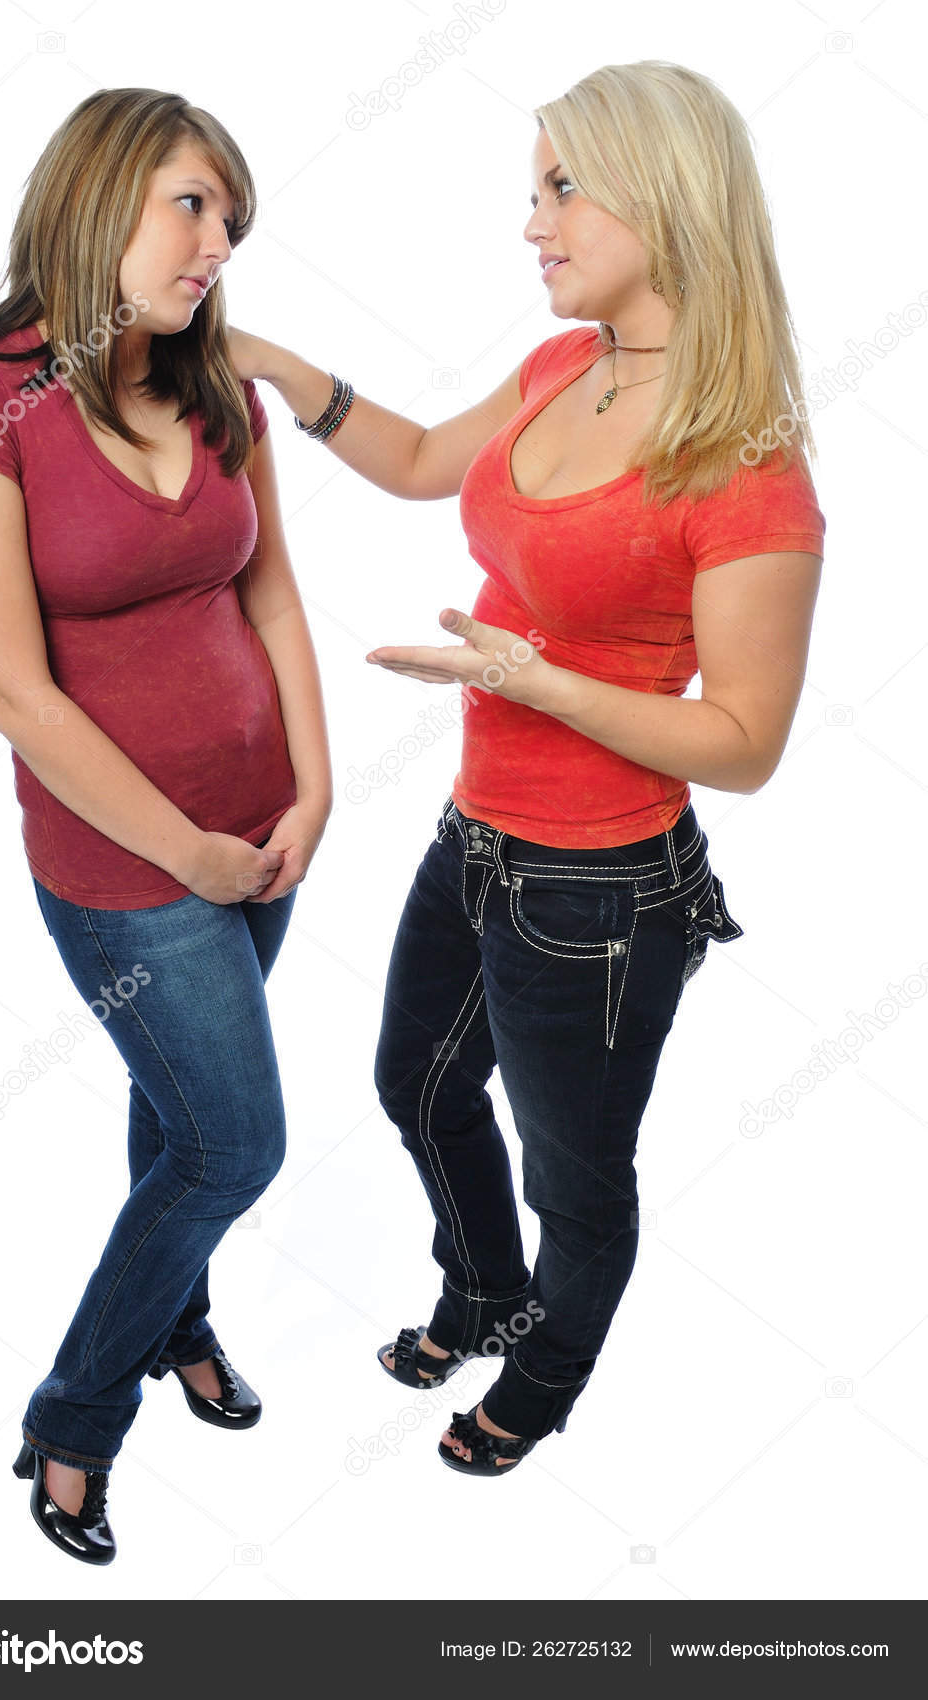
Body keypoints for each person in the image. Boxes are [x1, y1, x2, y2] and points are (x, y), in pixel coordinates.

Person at [229, 59, 825, 1477]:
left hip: (601, 891)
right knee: (415, 1084)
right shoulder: (568, 366)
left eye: (562, 189)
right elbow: (422, 458)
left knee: (576, 1177)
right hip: (479, 838)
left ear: (663, 200)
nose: (532, 223)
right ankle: (486, 1293)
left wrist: (535, 680)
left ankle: (544, 1376)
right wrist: (267, 362)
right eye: (533, 189)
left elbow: (745, 744)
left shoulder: (747, 466)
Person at [0, 88, 331, 1561]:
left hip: (263, 839)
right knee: (234, 1149)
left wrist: (316, 787)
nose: (217, 245)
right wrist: (189, 853)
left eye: (232, 222)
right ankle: (76, 1417)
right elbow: (14, 694)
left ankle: (178, 1321)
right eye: (191, 206)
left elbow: (273, 599)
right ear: (96, 196)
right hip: (127, 873)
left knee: (180, 1118)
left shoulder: (214, 386)